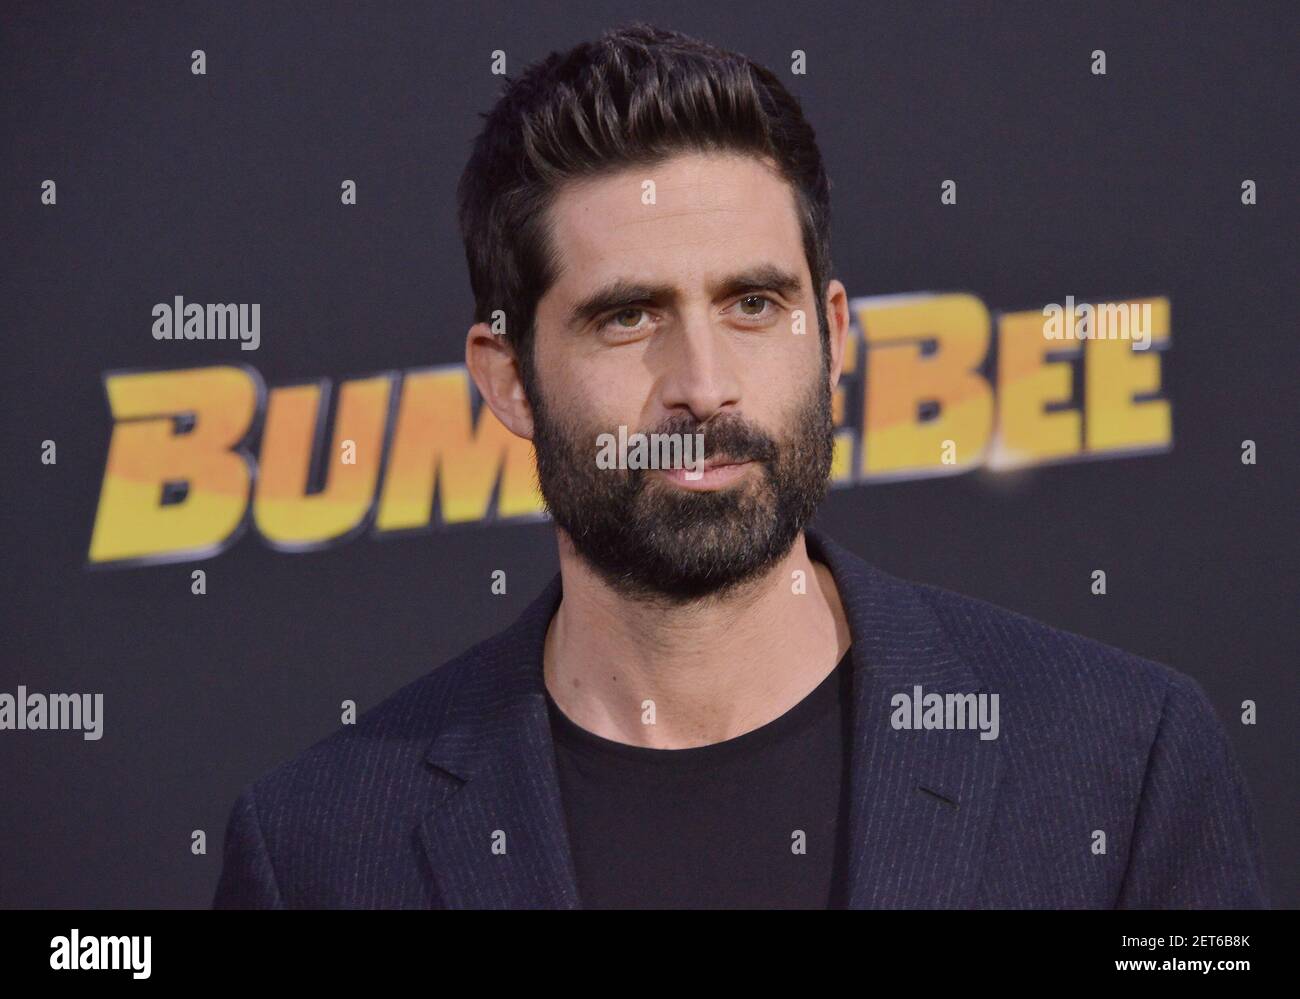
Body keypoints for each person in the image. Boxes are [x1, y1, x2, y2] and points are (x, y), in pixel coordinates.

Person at [213, 23, 1269, 909]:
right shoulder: (317, 849)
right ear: (508, 377)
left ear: (834, 335)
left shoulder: (1119, 762)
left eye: (753, 304)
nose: (704, 386)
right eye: (627, 317)